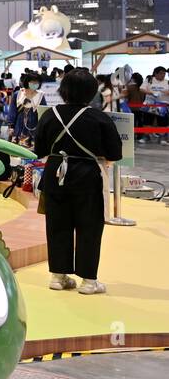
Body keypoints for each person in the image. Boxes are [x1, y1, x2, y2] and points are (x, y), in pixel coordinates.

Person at [35, 69, 122, 295]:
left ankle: (58, 276)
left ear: (63, 90)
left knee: (57, 225)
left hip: (55, 176)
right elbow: (114, 153)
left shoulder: (48, 114)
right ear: (92, 91)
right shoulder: (98, 117)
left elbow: (40, 150)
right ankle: (89, 281)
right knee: (90, 227)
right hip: (87, 177)